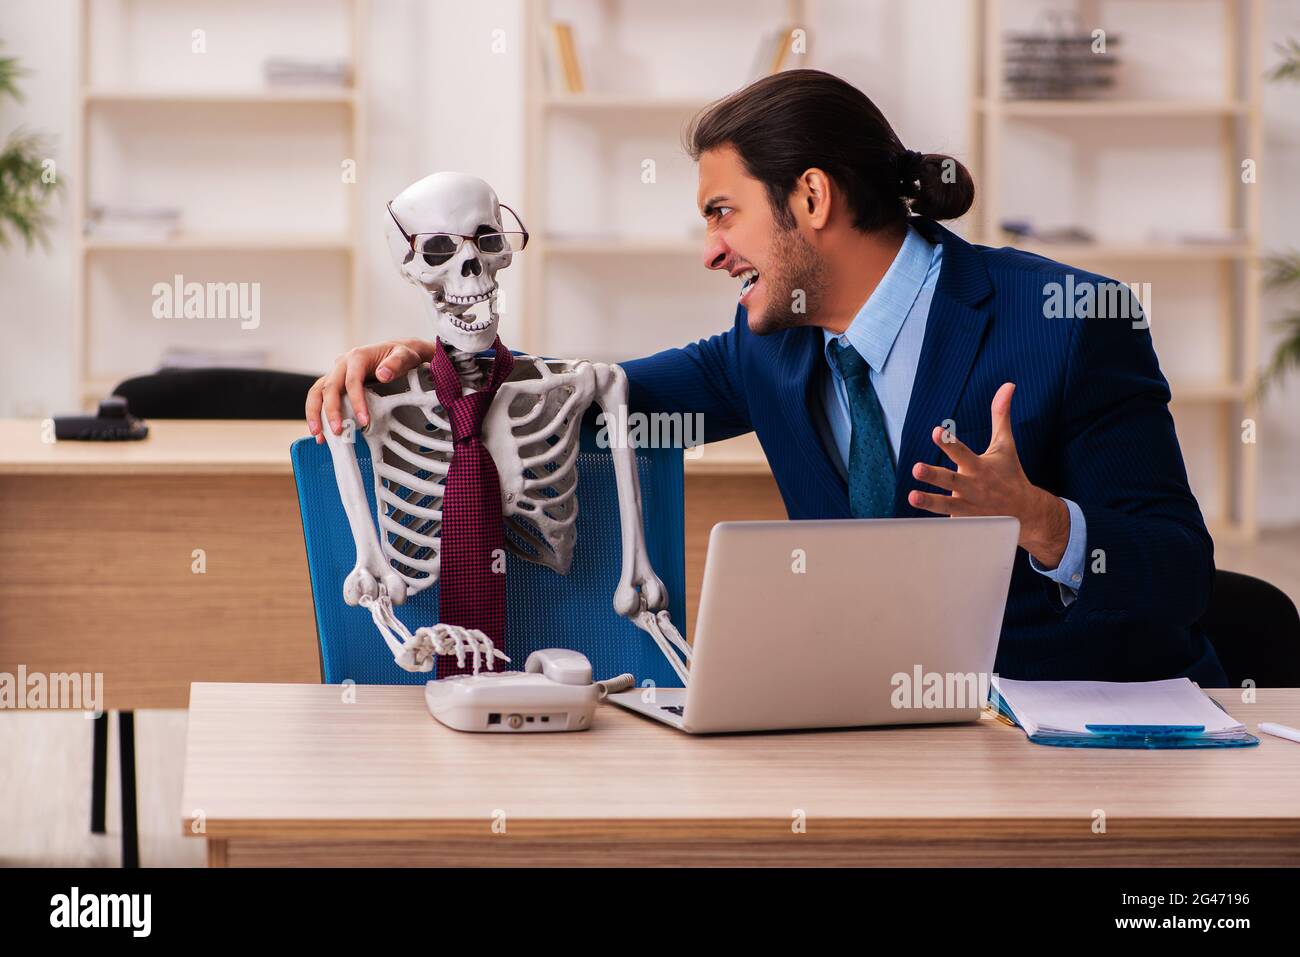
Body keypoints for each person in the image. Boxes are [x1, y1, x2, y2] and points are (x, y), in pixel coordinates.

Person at [306, 69, 1225, 684]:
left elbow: (1179, 577)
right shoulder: (766, 349)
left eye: (722, 213)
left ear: (813, 199)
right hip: (876, 741)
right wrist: (438, 368)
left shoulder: (1068, 325)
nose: (710, 252)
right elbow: (592, 400)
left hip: (1078, 744)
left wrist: (1041, 520)